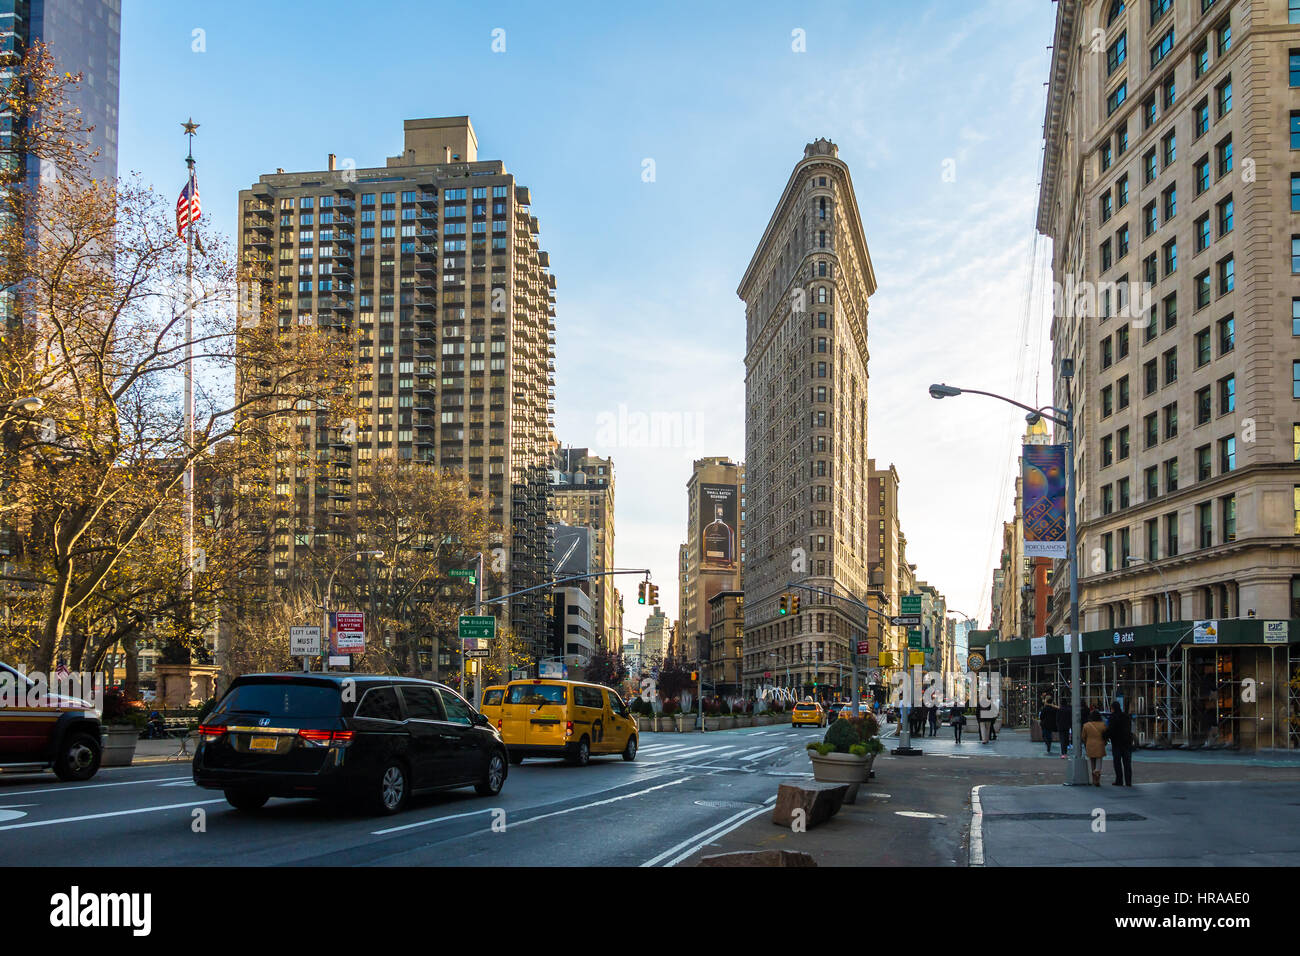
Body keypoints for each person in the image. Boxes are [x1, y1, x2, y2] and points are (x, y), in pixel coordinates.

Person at [1105, 700, 1134, 786]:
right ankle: (1128, 781)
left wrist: (1105, 737)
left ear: (1113, 708)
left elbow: (1110, 730)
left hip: (1117, 742)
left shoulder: (1112, 717)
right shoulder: (1126, 716)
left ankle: (1119, 780)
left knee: (1117, 762)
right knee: (1127, 763)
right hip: (1127, 742)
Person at [1083, 708, 1108, 786]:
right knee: (1099, 762)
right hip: (1100, 745)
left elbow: (1083, 736)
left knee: (1092, 762)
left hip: (1090, 745)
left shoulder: (1086, 725)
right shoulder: (1103, 725)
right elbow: (1106, 735)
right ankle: (1097, 779)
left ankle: (1094, 779)